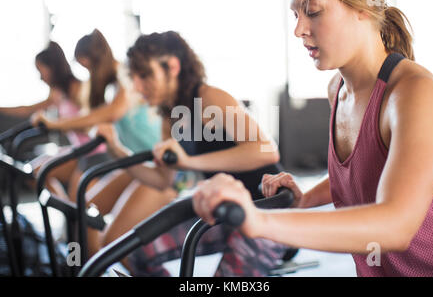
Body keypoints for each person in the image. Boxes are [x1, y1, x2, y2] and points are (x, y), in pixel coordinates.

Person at [193, 0, 433, 277]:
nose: (299, 29)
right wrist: (306, 198)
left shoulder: (414, 92)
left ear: (364, 7)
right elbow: (366, 172)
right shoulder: (337, 89)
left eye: (313, 11)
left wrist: (260, 221)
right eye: (295, 14)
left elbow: (396, 226)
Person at [97, 31, 289, 276]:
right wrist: (117, 152)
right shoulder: (170, 117)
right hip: (226, 216)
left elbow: (267, 151)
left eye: (145, 75)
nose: (136, 85)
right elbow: (162, 180)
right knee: (131, 253)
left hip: (270, 213)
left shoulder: (210, 98)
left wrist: (189, 161)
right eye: (134, 77)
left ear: (173, 67)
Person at [31, 30, 164, 258]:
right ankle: (84, 267)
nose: (88, 74)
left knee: (112, 241)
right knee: (84, 214)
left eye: (88, 67)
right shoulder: (110, 86)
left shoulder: (127, 76)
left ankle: (95, 264)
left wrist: (55, 124)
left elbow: (112, 113)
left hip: (158, 167)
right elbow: (94, 120)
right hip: (136, 164)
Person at [0, 41, 88, 200]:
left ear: (52, 68)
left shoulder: (77, 88)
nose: (41, 78)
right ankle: (62, 204)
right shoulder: (57, 93)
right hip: (76, 148)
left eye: (41, 71)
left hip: (87, 151)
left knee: (75, 200)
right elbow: (27, 109)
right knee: (32, 173)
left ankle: (66, 208)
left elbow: (88, 123)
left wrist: (55, 123)